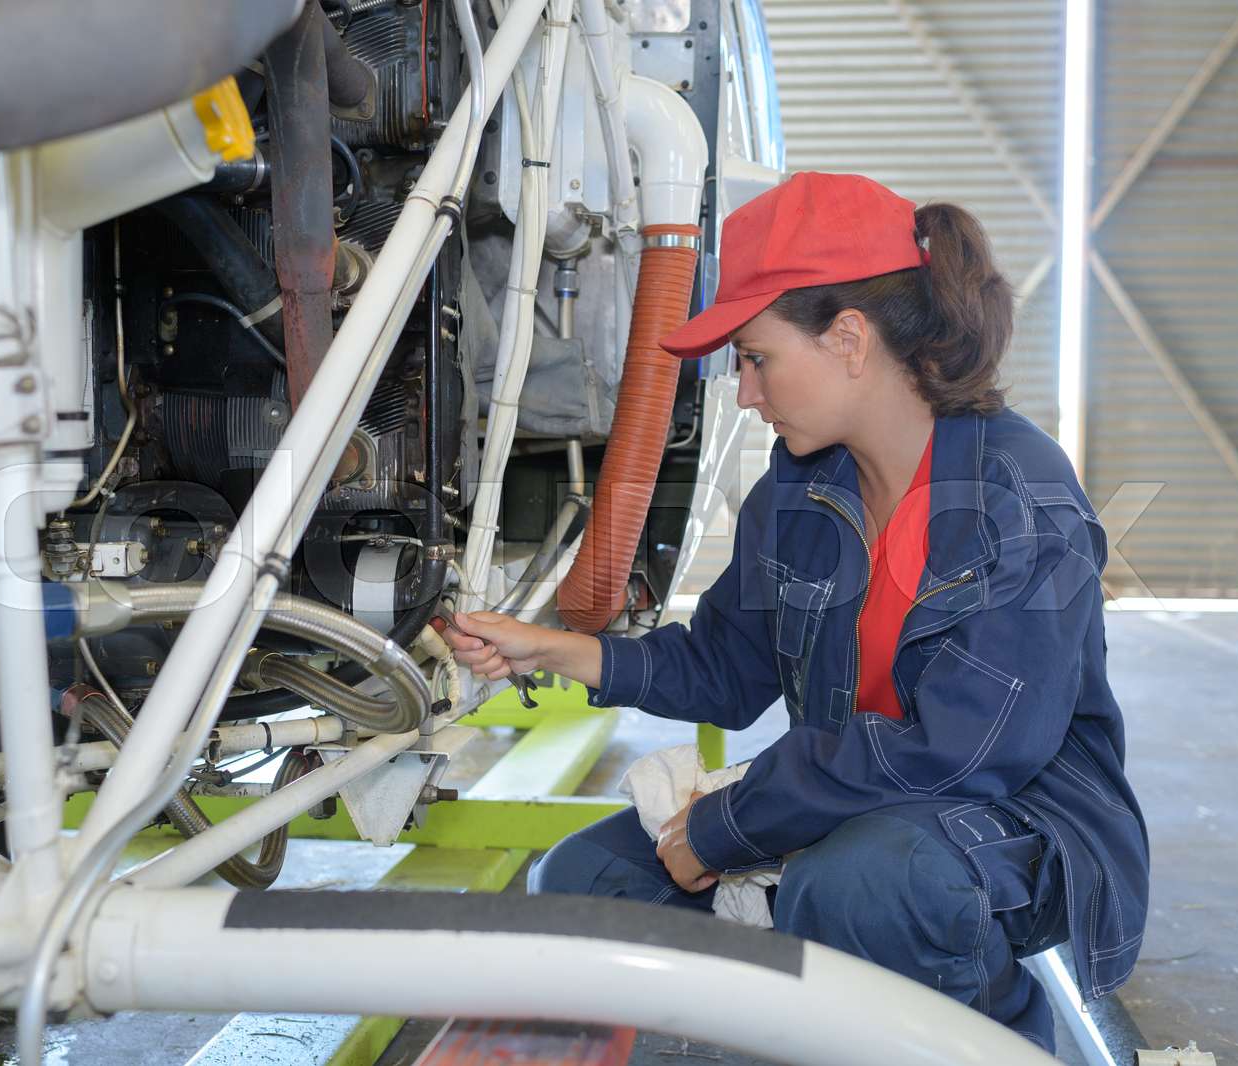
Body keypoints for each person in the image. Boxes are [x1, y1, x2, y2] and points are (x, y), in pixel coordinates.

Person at [441, 172, 1149, 1051]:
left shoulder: (1020, 499)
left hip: (1008, 826)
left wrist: (731, 824)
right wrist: (561, 651)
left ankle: (1002, 1039)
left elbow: (962, 751)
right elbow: (729, 667)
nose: (745, 392)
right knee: (585, 884)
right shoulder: (801, 484)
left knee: (863, 887)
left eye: (756, 357)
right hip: (856, 807)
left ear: (849, 339)